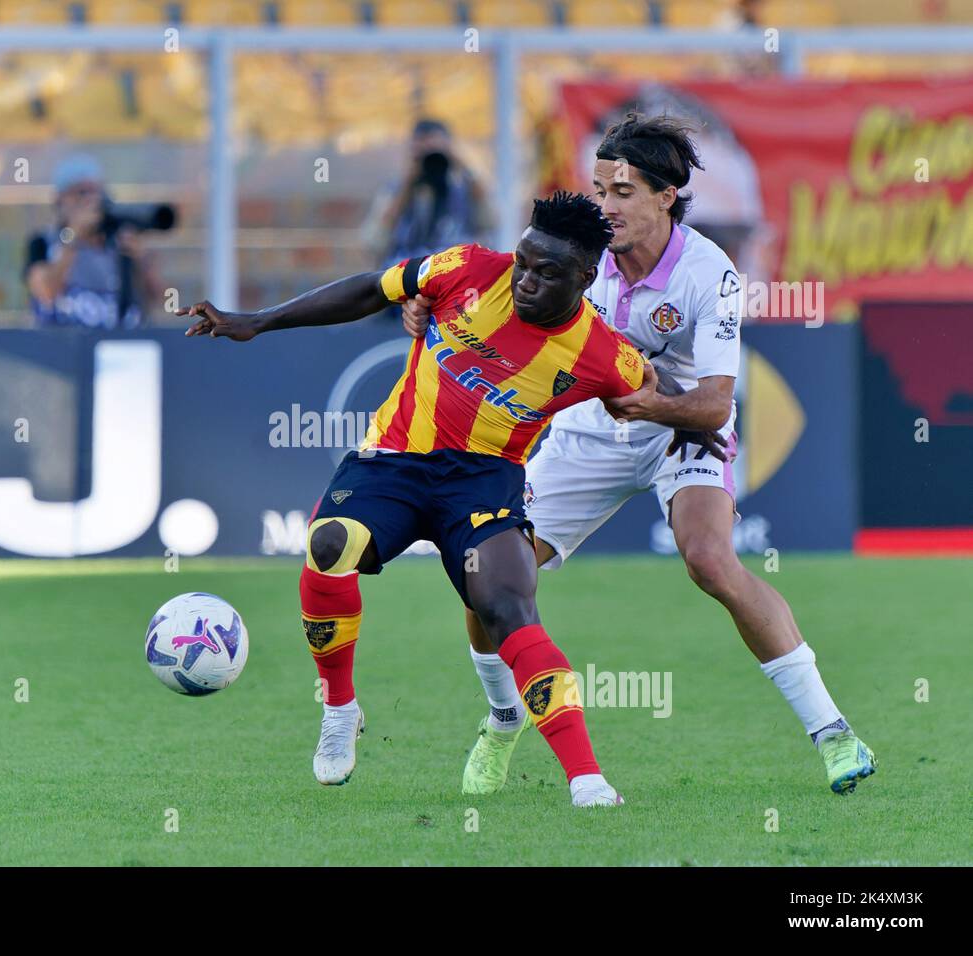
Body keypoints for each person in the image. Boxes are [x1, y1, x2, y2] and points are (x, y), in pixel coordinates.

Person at [184, 192, 715, 807]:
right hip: (395, 460)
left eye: (548, 274)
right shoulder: (467, 268)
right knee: (330, 543)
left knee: (509, 607)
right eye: (524, 262)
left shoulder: (602, 353)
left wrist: (700, 426)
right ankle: (339, 708)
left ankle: (587, 779)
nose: (526, 281)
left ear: (585, 278)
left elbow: (657, 393)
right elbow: (370, 288)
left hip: (484, 482)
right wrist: (260, 320)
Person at [402, 114, 876, 796]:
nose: (606, 206)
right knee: (487, 578)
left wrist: (651, 404)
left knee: (710, 560)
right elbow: (491, 298)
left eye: (622, 191)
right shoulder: (578, 251)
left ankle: (833, 734)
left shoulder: (709, 273)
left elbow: (713, 406)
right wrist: (427, 309)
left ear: (667, 195)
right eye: (599, 189)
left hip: (677, 435)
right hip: (584, 439)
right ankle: (504, 718)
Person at [24, 155, 160, 329]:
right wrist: (74, 236)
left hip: (118, 349)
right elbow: (46, 293)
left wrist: (142, 260)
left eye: (96, 192)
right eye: (80, 192)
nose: (90, 200)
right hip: (61, 349)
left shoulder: (118, 244)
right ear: (59, 199)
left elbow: (159, 302)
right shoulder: (42, 242)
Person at [364, 118, 493, 278]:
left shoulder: (464, 189)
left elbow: (491, 222)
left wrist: (462, 166)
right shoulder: (397, 190)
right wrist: (408, 185)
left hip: (455, 279)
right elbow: (374, 241)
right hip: (407, 279)